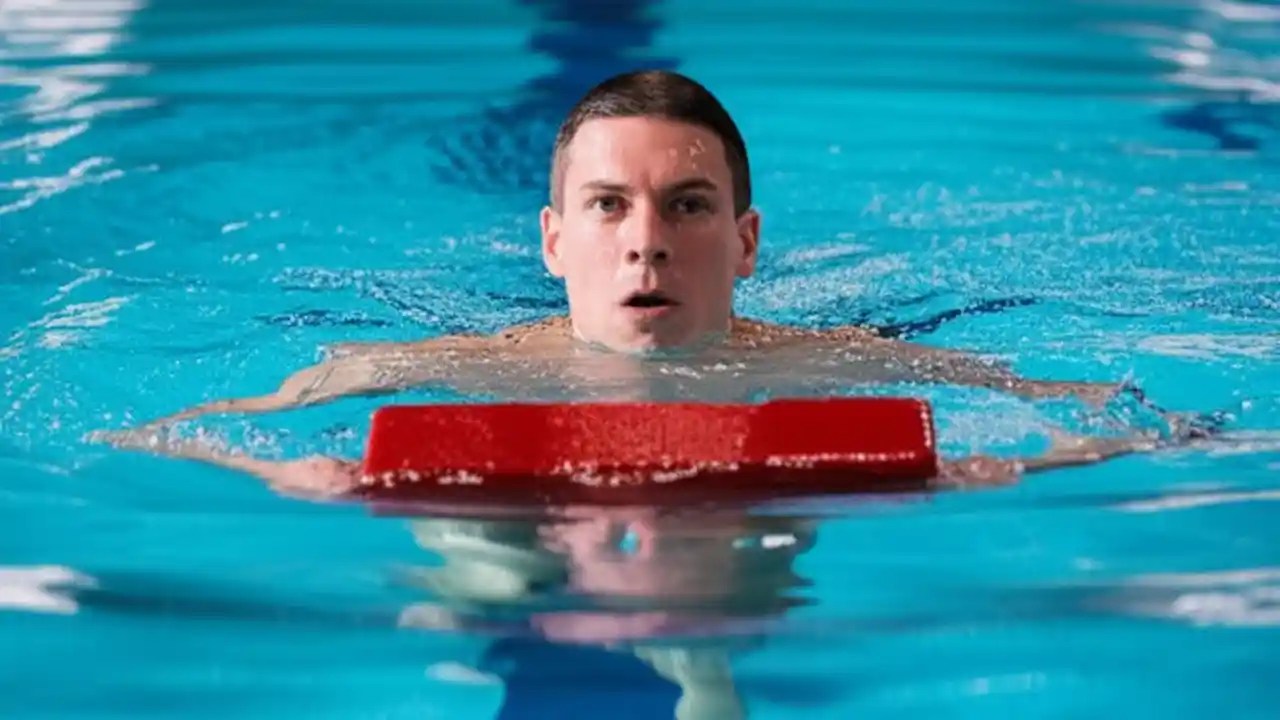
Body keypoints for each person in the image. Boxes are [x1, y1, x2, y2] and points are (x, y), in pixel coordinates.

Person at [95, 69, 1180, 495]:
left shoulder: (840, 361)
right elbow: (173, 430)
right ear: (554, 243)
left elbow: (1094, 415)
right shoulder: (427, 367)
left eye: (688, 206)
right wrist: (299, 476)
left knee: (721, 539)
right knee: (469, 546)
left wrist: (1007, 464)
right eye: (607, 206)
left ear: (747, 244)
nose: (645, 244)